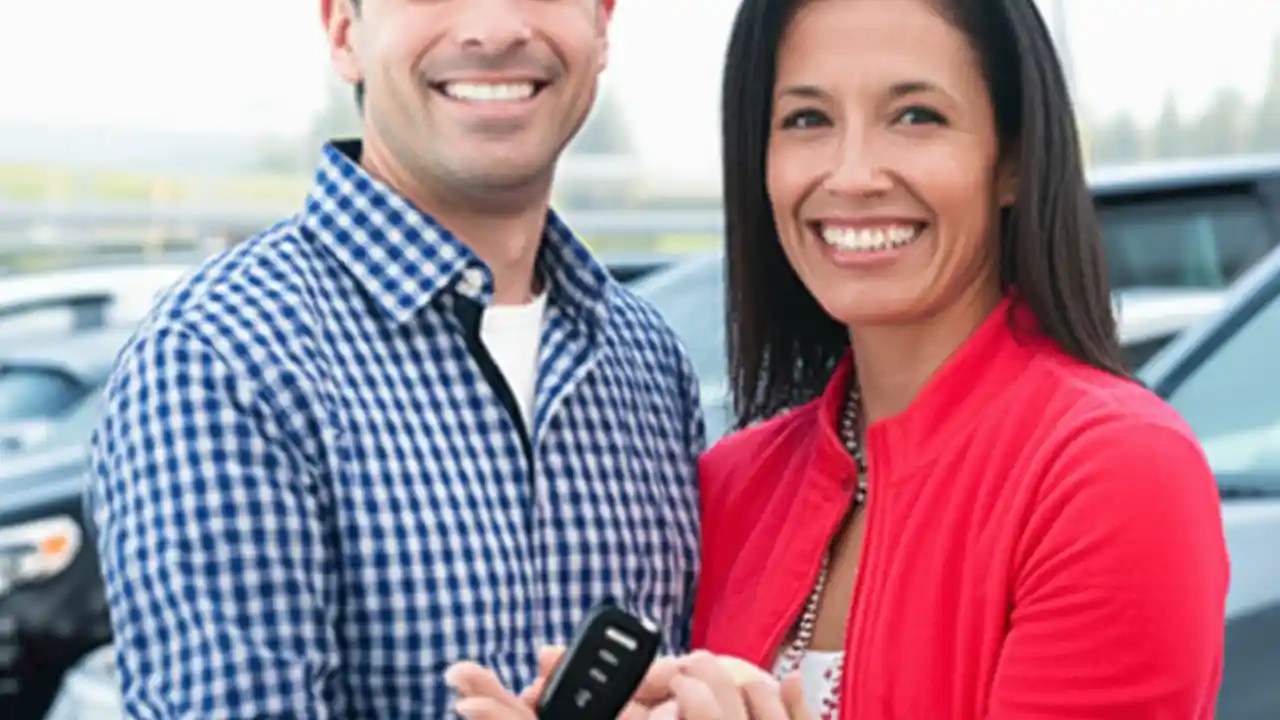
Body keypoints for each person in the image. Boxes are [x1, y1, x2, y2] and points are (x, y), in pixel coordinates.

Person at [450, 0, 1230, 717]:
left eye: (916, 116)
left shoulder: (1111, 473)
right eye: (807, 119)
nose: (852, 175)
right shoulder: (732, 486)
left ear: (1014, 157)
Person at [86, 0, 706, 717]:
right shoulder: (222, 359)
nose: (494, 28)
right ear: (343, 32)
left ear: (602, 25)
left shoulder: (647, 361)